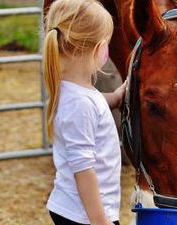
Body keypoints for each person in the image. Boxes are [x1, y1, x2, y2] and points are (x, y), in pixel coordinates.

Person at [43, 0, 125, 224]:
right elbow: (83, 170)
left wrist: (117, 97)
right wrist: (101, 221)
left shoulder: (76, 93)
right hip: (85, 215)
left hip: (75, 208)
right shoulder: (80, 104)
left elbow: (94, 108)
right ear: (99, 49)